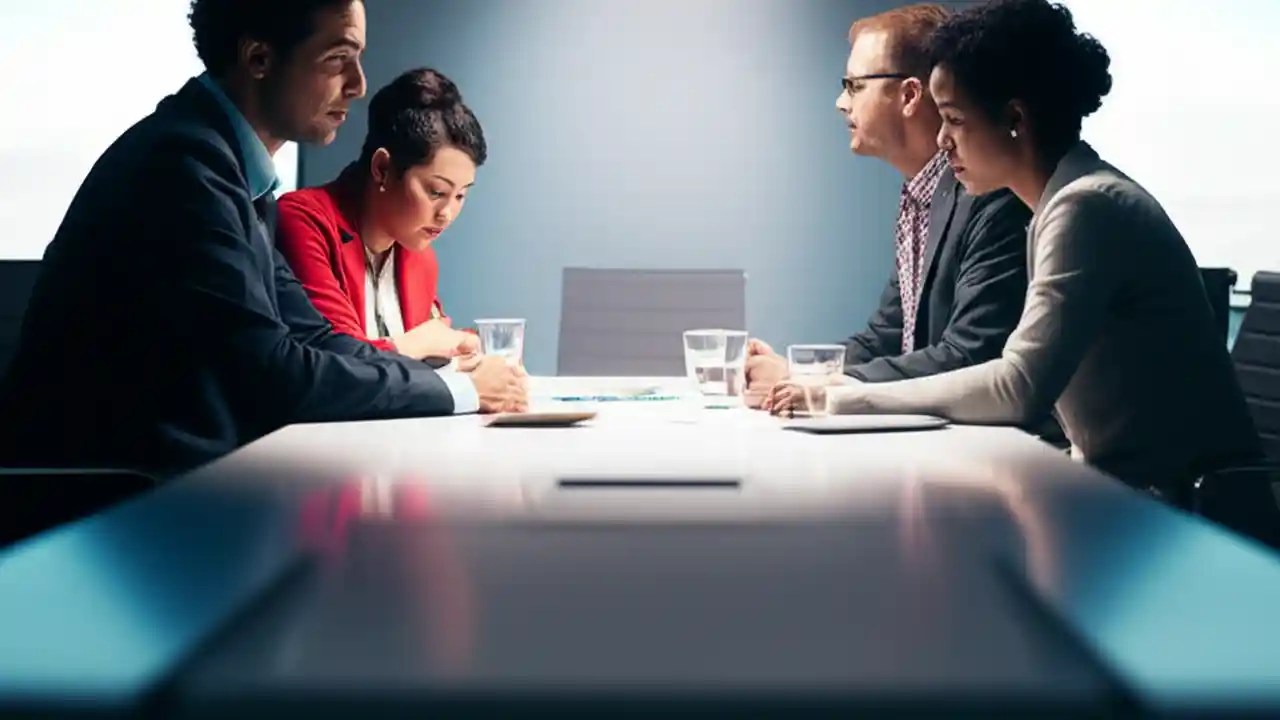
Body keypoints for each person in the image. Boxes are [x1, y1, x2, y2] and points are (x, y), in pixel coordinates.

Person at [0, 0, 526, 477]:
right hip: (108, 509)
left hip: (170, 492)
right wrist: (455, 390)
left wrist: (450, 379)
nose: (359, 84)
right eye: (338, 57)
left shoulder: (233, 176)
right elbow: (275, 377)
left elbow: (314, 339)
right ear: (259, 59)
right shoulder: (183, 168)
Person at [767, 0, 1260, 493]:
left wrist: (846, 396)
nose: (941, 141)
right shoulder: (1063, 203)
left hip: (1190, 513)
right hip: (1138, 495)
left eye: (955, 120)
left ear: (1014, 119)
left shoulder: (1084, 208)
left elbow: (1018, 385)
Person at [744, 4, 1032, 406]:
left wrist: (805, 379)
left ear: (910, 95)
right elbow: (890, 335)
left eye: (854, 85)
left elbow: (970, 356)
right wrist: (797, 374)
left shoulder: (992, 200)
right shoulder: (921, 195)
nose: (841, 103)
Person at [277, 68, 483, 361]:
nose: (447, 214)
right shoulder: (304, 220)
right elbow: (335, 360)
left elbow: (433, 358)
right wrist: (420, 344)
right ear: (382, 168)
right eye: (436, 192)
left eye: (461, 195)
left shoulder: (420, 256)